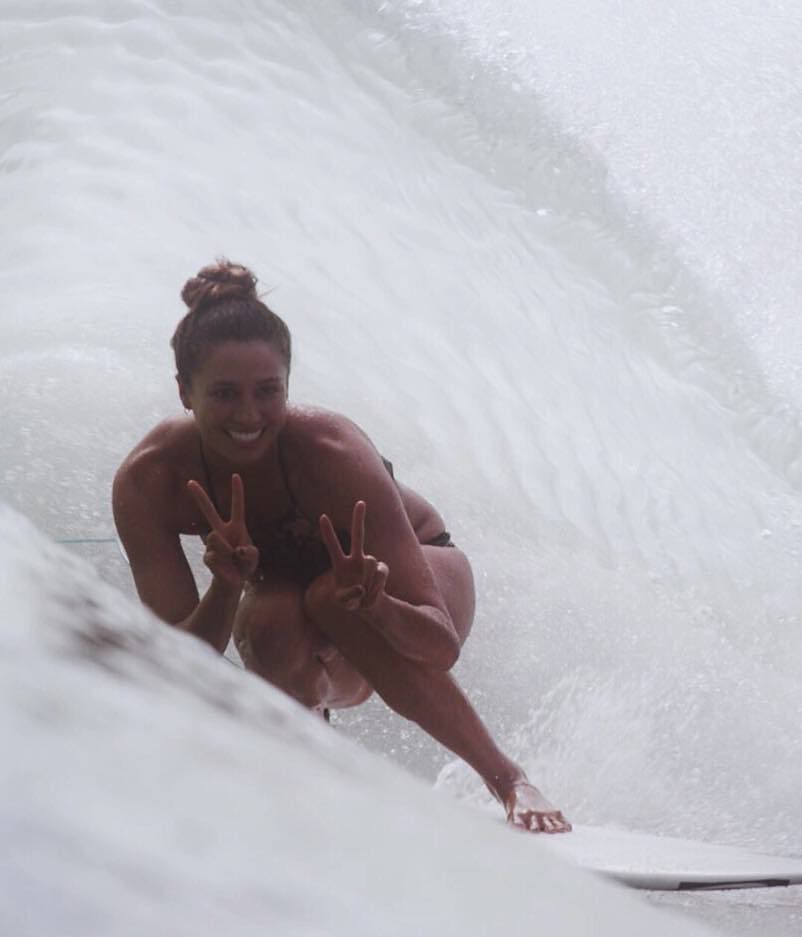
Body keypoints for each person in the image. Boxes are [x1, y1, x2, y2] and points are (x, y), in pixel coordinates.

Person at [112, 260, 569, 833]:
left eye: (268, 391)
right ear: (184, 391)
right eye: (224, 394)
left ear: (288, 385)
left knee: (332, 597)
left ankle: (508, 778)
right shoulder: (149, 480)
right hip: (297, 605)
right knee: (269, 618)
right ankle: (310, 780)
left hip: (417, 581)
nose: (248, 415)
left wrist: (379, 605)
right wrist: (225, 588)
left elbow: (439, 645)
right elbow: (183, 664)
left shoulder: (330, 449)